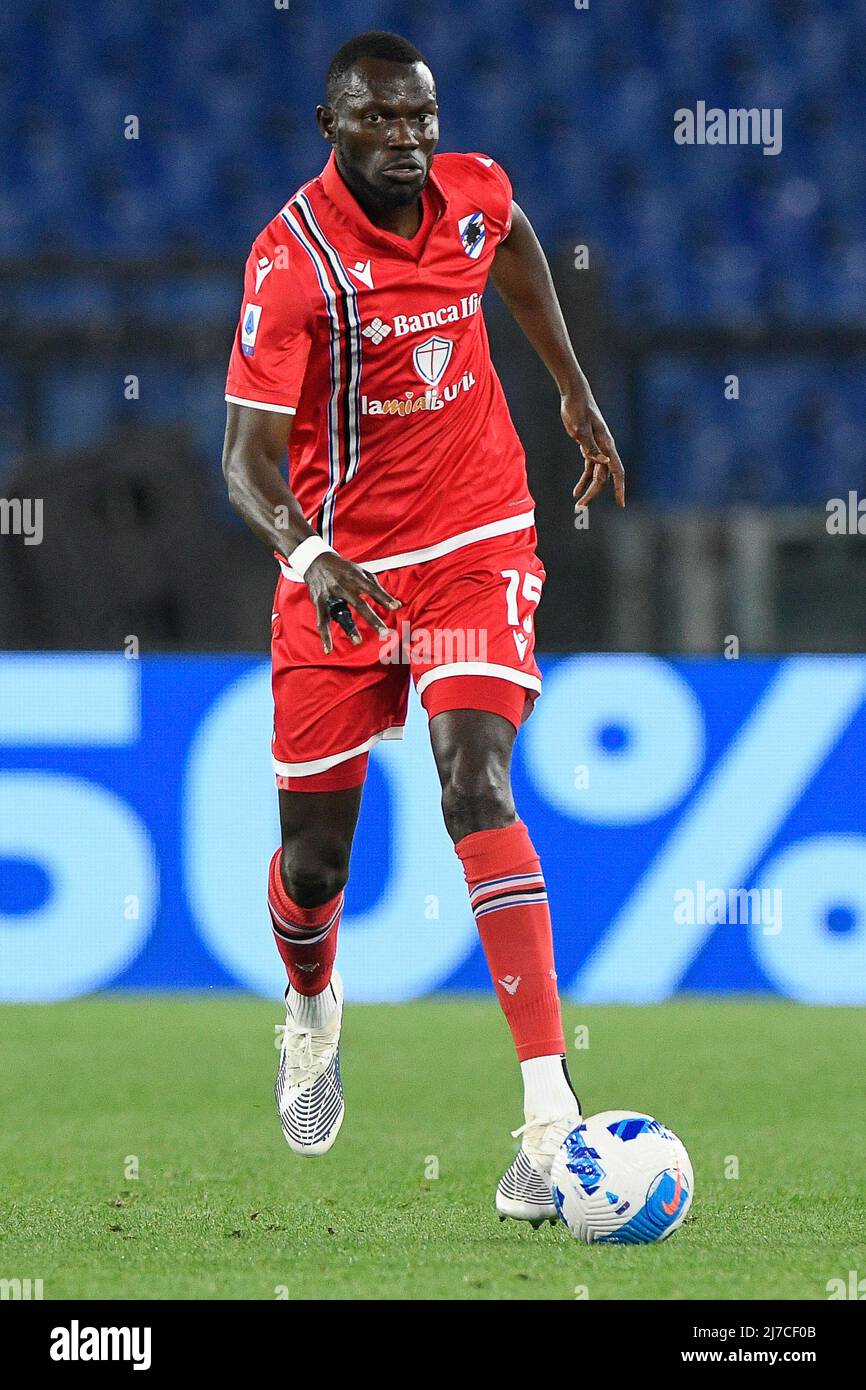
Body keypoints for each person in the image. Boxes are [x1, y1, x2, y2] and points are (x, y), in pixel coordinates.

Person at [222, 29, 625, 1226]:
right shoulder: (290, 265)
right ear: (329, 125)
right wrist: (307, 552)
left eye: (420, 118)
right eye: (379, 121)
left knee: (475, 782)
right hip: (339, 567)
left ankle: (549, 1114)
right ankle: (308, 1008)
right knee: (316, 865)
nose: (406, 140)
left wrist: (568, 382)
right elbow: (243, 464)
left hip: (473, 538)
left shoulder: (474, 194)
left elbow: (510, 244)